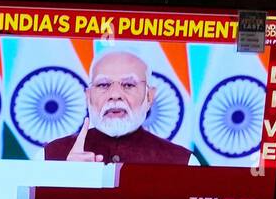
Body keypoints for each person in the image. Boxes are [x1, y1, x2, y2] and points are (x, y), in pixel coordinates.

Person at [43, 49, 197, 165]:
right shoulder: (48, 156)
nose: (115, 94)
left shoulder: (184, 162)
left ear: (149, 96)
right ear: (88, 96)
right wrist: (63, 176)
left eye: (128, 85)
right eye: (103, 85)